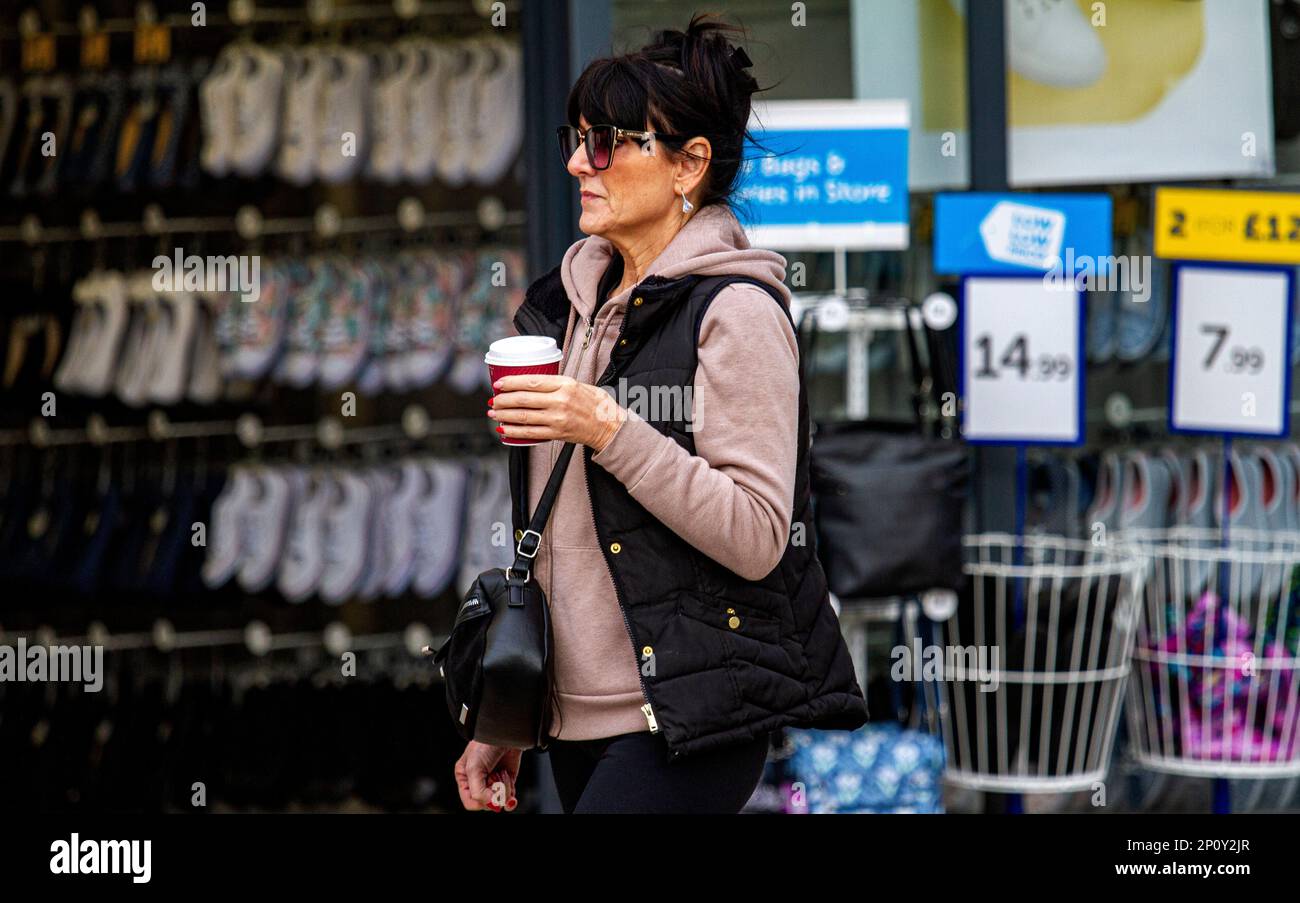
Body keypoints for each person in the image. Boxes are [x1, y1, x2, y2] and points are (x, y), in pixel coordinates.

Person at [455, 13, 867, 815]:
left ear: (689, 165)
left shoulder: (736, 311)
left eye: (607, 141)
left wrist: (607, 426)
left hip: (682, 717)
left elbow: (755, 533)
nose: (580, 161)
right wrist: (509, 707)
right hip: (574, 718)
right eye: (576, 138)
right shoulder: (567, 307)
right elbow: (562, 542)